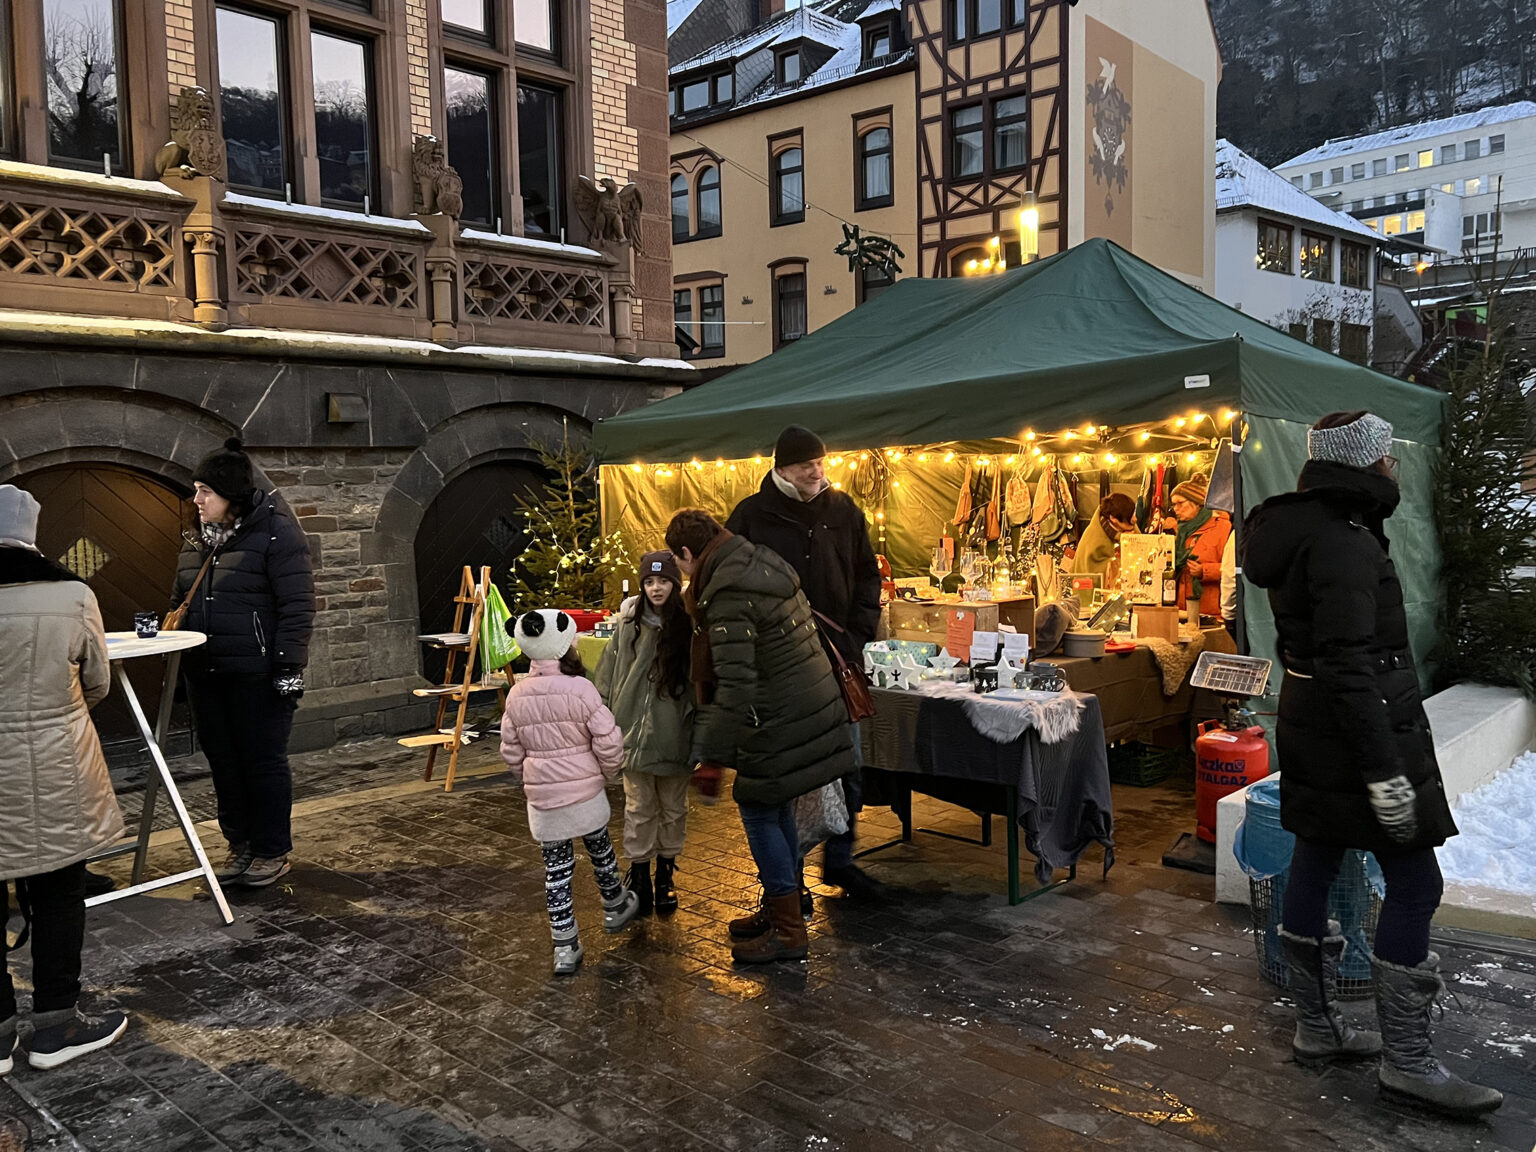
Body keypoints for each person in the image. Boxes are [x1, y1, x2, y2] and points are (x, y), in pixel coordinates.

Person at [1242, 411, 1500, 1118]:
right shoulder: (1343, 542)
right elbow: (1350, 664)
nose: (1394, 465)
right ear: (1366, 463)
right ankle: (1408, 1064)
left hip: (1312, 725)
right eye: (1387, 455)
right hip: (1358, 736)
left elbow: (1319, 656)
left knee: (1317, 858)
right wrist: (1385, 771)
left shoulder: (1302, 530)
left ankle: (1318, 1028)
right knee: (1416, 883)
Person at [666, 508, 853, 964]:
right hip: (806, 706)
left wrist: (710, 757)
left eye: (680, 563)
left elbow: (736, 682)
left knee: (757, 808)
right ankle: (780, 908)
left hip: (779, 716)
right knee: (775, 805)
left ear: (687, 553)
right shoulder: (758, 561)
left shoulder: (727, 590)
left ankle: (788, 932)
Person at [724, 425, 883, 904]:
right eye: (804, 465)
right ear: (782, 468)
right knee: (790, 777)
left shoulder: (843, 510)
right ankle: (788, 882)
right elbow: (730, 587)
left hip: (837, 661)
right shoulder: (751, 516)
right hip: (781, 669)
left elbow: (868, 576)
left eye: (819, 462)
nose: (816, 472)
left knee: (848, 763)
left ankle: (840, 859)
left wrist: (855, 637)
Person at [0, 485, 129, 1070]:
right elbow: (98, 680)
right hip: (56, 768)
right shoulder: (73, 594)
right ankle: (57, 1026)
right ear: (31, 532)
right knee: (58, 893)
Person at [171, 438, 315, 889]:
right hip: (206, 672)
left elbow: (297, 607)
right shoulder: (195, 540)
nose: (196, 500)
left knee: (262, 762)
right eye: (196, 490)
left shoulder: (276, 533)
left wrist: (287, 669)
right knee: (224, 762)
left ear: (230, 495)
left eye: (205, 491)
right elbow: (179, 598)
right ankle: (240, 844)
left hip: (258, 674)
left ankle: (271, 850)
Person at [500, 610, 639, 975]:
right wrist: (607, 772)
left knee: (556, 872)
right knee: (601, 850)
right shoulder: (581, 689)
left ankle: (565, 946)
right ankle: (615, 904)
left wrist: (529, 778)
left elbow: (511, 749)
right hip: (585, 792)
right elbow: (608, 739)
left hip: (545, 800)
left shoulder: (516, 695)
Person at [593, 552, 695, 915]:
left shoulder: (687, 625)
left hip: (674, 734)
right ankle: (639, 875)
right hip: (632, 732)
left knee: (673, 808)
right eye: (649, 581)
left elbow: (698, 682)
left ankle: (665, 875)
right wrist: (603, 718)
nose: (656, 588)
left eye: (664, 580)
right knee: (638, 807)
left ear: (675, 583)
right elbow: (608, 673)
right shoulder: (627, 624)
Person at [1168, 478, 1230, 619]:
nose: (1176, 509)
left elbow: (1234, 568)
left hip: (1211, 612)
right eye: (1174, 505)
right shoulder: (1180, 531)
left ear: (1197, 503)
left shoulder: (1223, 528)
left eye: (1180, 503)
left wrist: (1205, 571)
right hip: (1181, 611)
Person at [1071, 492, 1137, 581]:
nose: (1135, 519)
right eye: (1130, 517)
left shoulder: (1129, 525)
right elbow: (1091, 573)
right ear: (1113, 519)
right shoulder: (1093, 539)